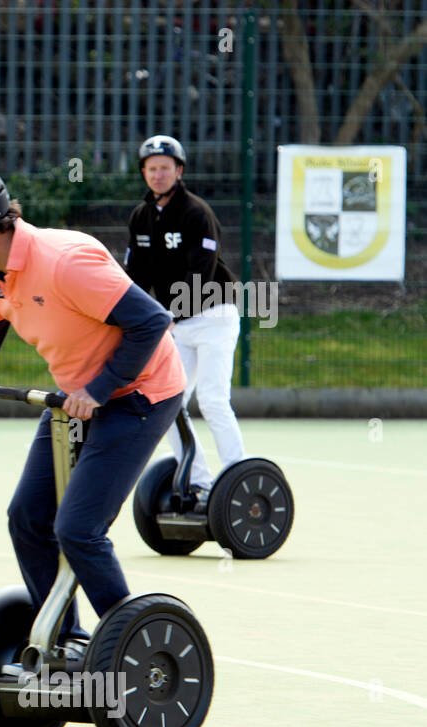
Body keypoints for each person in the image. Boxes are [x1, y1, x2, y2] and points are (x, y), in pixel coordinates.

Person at [0, 165, 186, 643]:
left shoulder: (64, 262)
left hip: (140, 394)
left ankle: (133, 647)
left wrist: (99, 390)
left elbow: (152, 321)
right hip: (74, 402)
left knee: (77, 529)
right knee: (28, 518)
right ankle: (66, 640)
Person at [124, 134, 246, 503]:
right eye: (151, 168)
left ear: (179, 171)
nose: (158, 174)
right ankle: (201, 483)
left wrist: (171, 314)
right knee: (168, 404)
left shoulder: (196, 213)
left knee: (211, 398)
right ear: (144, 173)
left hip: (214, 316)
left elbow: (203, 272)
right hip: (177, 323)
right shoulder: (142, 217)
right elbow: (135, 277)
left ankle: (237, 477)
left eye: (165, 168)